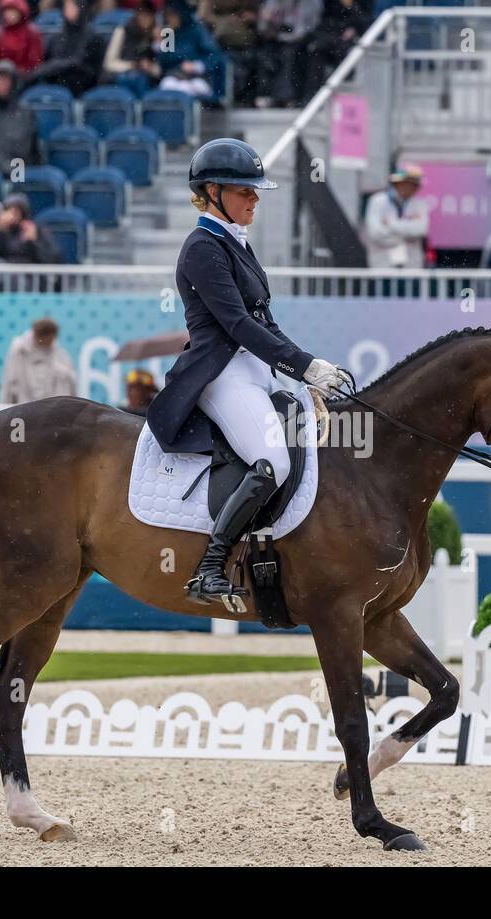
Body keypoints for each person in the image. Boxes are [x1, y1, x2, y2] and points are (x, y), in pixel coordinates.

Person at [144, 137, 350, 608]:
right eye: (246, 191)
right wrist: (305, 365)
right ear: (213, 191)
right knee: (274, 461)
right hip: (220, 372)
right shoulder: (201, 249)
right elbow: (236, 324)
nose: (255, 199)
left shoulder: (235, 243)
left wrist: (302, 378)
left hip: (256, 368)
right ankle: (209, 568)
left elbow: (265, 320)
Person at [362, 164, 429, 269]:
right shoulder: (378, 201)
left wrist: (391, 224)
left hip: (411, 267)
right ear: (398, 184)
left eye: (415, 185)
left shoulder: (419, 204)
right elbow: (376, 234)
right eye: (408, 183)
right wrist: (407, 235)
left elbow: (421, 230)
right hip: (383, 265)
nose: (412, 188)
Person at [0, 317, 77, 404]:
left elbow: (71, 385)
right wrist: (4, 408)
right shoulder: (18, 352)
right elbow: (9, 383)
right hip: (23, 408)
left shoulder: (60, 355)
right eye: (49, 339)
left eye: (53, 339)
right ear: (38, 335)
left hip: (50, 410)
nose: (51, 342)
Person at [257, 0, 321, 107]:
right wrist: (269, 22)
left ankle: (287, 97)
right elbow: (262, 27)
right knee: (266, 56)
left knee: (290, 56)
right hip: (275, 40)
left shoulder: (312, 3)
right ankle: (266, 94)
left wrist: (291, 36)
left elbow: (310, 27)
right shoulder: (273, 2)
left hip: (303, 42)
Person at [303, 0, 369, 102]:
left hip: (351, 37)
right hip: (330, 33)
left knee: (344, 56)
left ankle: (344, 98)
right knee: (316, 51)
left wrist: (354, 28)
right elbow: (324, 18)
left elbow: (365, 18)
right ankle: (311, 97)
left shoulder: (361, 3)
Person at [35, 0, 104, 95]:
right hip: (58, 77)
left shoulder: (91, 36)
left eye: (72, 7)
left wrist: (53, 65)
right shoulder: (59, 36)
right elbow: (47, 59)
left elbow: (78, 62)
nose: (67, 10)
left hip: (82, 82)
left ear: (80, 9)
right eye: (66, 7)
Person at [103, 0, 162, 98]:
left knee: (141, 80)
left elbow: (165, 66)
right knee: (130, 79)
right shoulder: (123, 31)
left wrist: (158, 43)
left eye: (148, 15)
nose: (144, 19)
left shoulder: (163, 33)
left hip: (151, 80)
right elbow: (109, 63)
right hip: (123, 75)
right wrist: (131, 65)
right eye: (141, 14)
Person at [0, 192, 60, 264]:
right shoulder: (4, 230)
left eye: (15, 212)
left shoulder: (37, 229)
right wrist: (0, 230)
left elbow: (52, 258)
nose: (10, 216)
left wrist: (32, 242)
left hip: (31, 272)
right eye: (8, 211)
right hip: (8, 272)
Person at [0, 0, 44, 76]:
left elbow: (35, 62)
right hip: (0, 76)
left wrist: (16, 73)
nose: (10, 15)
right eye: (7, 11)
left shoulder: (32, 33)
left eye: (13, 11)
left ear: (21, 12)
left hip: (26, 77)